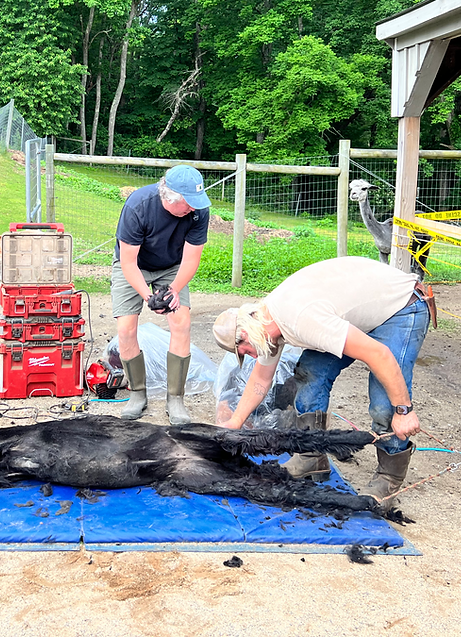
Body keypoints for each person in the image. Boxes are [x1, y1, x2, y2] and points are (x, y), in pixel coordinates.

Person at [211, 255, 436, 509]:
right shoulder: (265, 325)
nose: (251, 357)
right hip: (360, 313)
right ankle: (311, 456)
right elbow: (260, 379)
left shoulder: (300, 319)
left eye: (245, 352)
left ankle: (388, 478)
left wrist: (404, 410)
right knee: (310, 372)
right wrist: (235, 422)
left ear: (245, 334)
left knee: (384, 403)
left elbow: (379, 355)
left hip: (401, 308)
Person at [112, 164, 210, 424]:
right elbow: (128, 262)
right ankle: (137, 393)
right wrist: (149, 297)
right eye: (189, 203)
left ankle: (175, 398)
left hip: (172, 266)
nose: (194, 208)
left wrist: (174, 289)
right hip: (135, 265)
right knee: (126, 329)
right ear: (170, 197)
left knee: (181, 322)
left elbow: (191, 260)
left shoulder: (199, 211)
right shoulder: (138, 206)